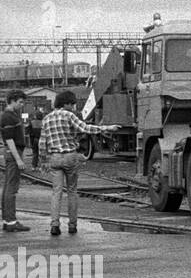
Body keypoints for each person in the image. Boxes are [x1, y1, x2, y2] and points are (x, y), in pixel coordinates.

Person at [39, 90, 120, 236]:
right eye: (72, 104)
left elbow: (42, 142)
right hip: (70, 156)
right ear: (66, 104)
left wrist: (43, 160)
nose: (73, 107)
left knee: (56, 192)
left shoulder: (46, 119)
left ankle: (54, 225)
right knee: (72, 191)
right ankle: (72, 226)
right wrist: (107, 128)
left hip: (55, 158)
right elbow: (85, 128)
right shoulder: (69, 115)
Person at [1, 90, 31, 231]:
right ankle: (11, 222)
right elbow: (9, 140)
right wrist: (19, 159)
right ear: (12, 100)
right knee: (11, 188)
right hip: (13, 153)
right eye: (20, 102)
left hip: (12, 153)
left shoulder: (12, 115)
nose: (22, 104)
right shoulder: (8, 117)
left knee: (8, 187)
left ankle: (8, 220)